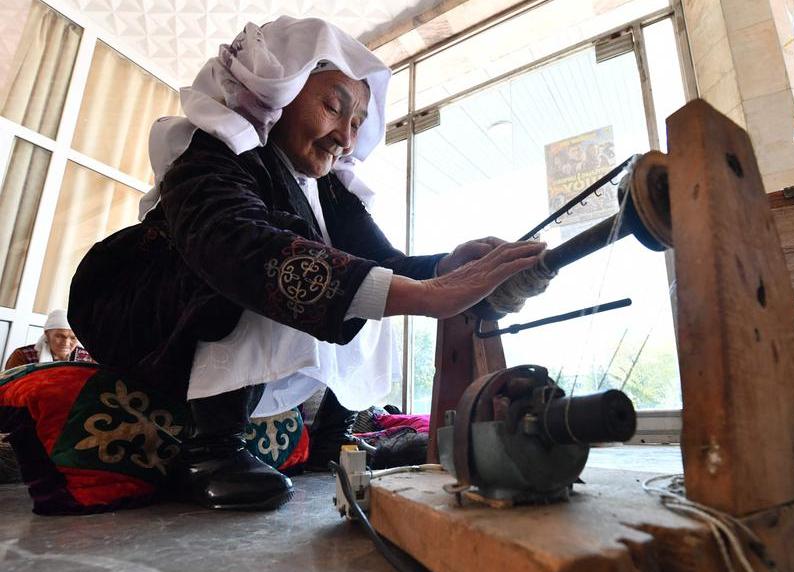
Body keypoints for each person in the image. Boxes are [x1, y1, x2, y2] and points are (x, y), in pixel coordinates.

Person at [68, 17, 544, 512]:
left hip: (217, 285)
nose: (345, 136)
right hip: (142, 309)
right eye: (333, 108)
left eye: (357, 123)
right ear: (280, 92)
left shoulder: (329, 187)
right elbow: (230, 244)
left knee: (371, 282)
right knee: (283, 263)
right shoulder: (212, 149)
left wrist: (447, 266)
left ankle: (331, 441)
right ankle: (210, 450)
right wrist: (424, 294)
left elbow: (382, 263)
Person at [4, 309, 93, 370]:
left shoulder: (87, 358)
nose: (66, 343)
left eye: (73, 338)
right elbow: (10, 387)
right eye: (59, 336)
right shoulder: (23, 356)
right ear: (47, 334)